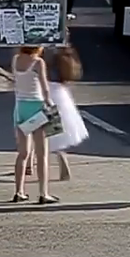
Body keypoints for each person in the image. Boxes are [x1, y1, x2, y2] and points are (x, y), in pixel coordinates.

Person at [12, 46, 58, 204]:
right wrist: (50, 104)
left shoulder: (16, 59)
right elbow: (45, 88)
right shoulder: (38, 62)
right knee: (42, 154)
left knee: (23, 153)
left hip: (20, 107)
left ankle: (19, 191)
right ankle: (43, 193)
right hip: (36, 107)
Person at [45, 42, 88, 180]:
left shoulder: (44, 49)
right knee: (54, 130)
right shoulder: (61, 45)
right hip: (59, 92)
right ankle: (60, 161)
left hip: (44, 91)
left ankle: (28, 165)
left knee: (34, 128)